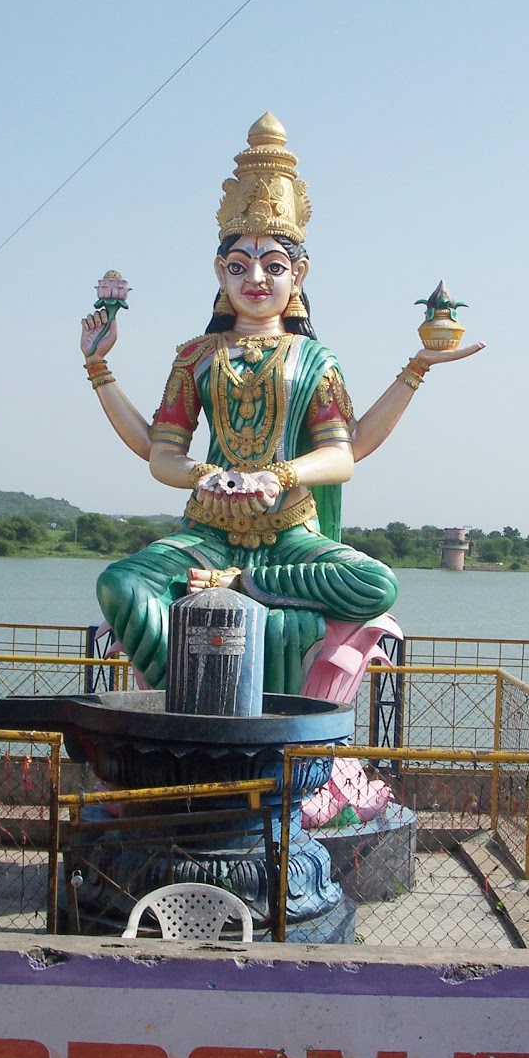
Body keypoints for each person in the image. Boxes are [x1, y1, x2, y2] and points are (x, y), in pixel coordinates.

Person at [79, 113, 483, 694]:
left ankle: (241, 585)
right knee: (120, 585)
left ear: (299, 273)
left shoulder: (314, 360)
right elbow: (159, 451)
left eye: (274, 266)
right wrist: (103, 372)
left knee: (374, 582)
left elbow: (343, 454)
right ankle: (188, 704)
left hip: (289, 533)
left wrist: (279, 475)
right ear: (221, 272)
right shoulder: (196, 355)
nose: (257, 280)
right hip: (207, 529)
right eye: (240, 266)